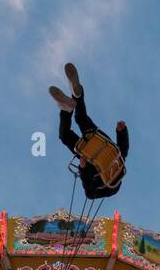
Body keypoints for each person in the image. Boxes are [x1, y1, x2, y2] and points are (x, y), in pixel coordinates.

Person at [49, 63, 129, 199]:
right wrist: (84, 168)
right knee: (65, 135)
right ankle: (66, 109)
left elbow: (123, 151)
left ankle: (76, 97)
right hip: (91, 155)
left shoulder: (118, 162)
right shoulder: (103, 183)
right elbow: (90, 194)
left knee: (81, 118)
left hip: (101, 142)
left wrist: (121, 131)